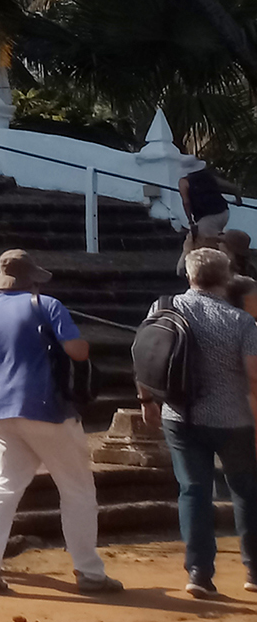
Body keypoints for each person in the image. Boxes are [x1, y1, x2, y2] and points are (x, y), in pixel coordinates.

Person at [0, 249, 122, 595]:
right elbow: (77, 351)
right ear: (32, 279)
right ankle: (89, 571)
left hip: (0, 408)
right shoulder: (46, 304)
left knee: (3, 487)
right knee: (77, 489)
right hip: (45, 406)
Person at [145, 246, 257, 599]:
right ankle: (254, 570)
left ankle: (198, 573)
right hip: (232, 418)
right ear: (226, 278)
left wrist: (146, 400)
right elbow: (254, 378)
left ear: (189, 275)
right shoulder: (241, 322)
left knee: (193, 491)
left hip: (178, 415)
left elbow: (147, 355)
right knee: (245, 492)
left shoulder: (163, 307)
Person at [179, 158, 232, 274]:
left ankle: (186, 270)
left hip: (207, 217)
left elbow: (186, 202)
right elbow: (229, 186)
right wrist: (238, 198)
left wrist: (190, 220)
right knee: (213, 240)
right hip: (224, 212)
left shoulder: (184, 182)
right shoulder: (209, 177)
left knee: (203, 245)